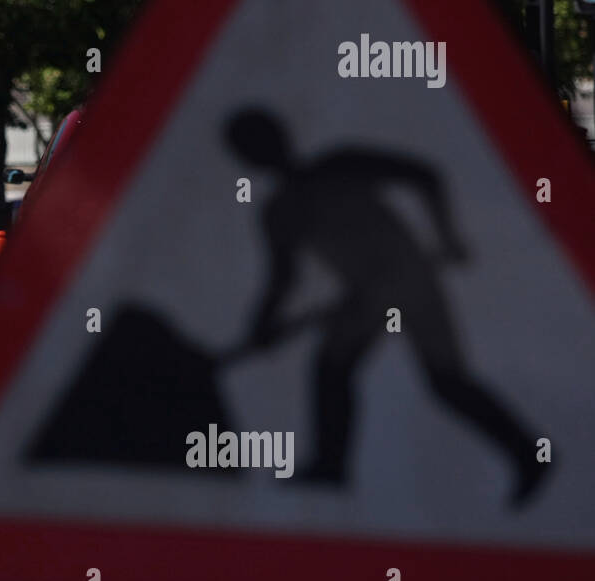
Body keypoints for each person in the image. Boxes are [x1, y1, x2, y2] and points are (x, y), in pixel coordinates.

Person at [225, 107, 547, 507]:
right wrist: (262, 326)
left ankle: (331, 467)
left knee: (346, 370)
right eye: (253, 147)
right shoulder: (280, 213)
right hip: (376, 291)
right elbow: (283, 279)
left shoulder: (341, 163)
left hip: (405, 280)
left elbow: (424, 175)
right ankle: (528, 454)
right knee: (426, 379)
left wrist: (448, 236)